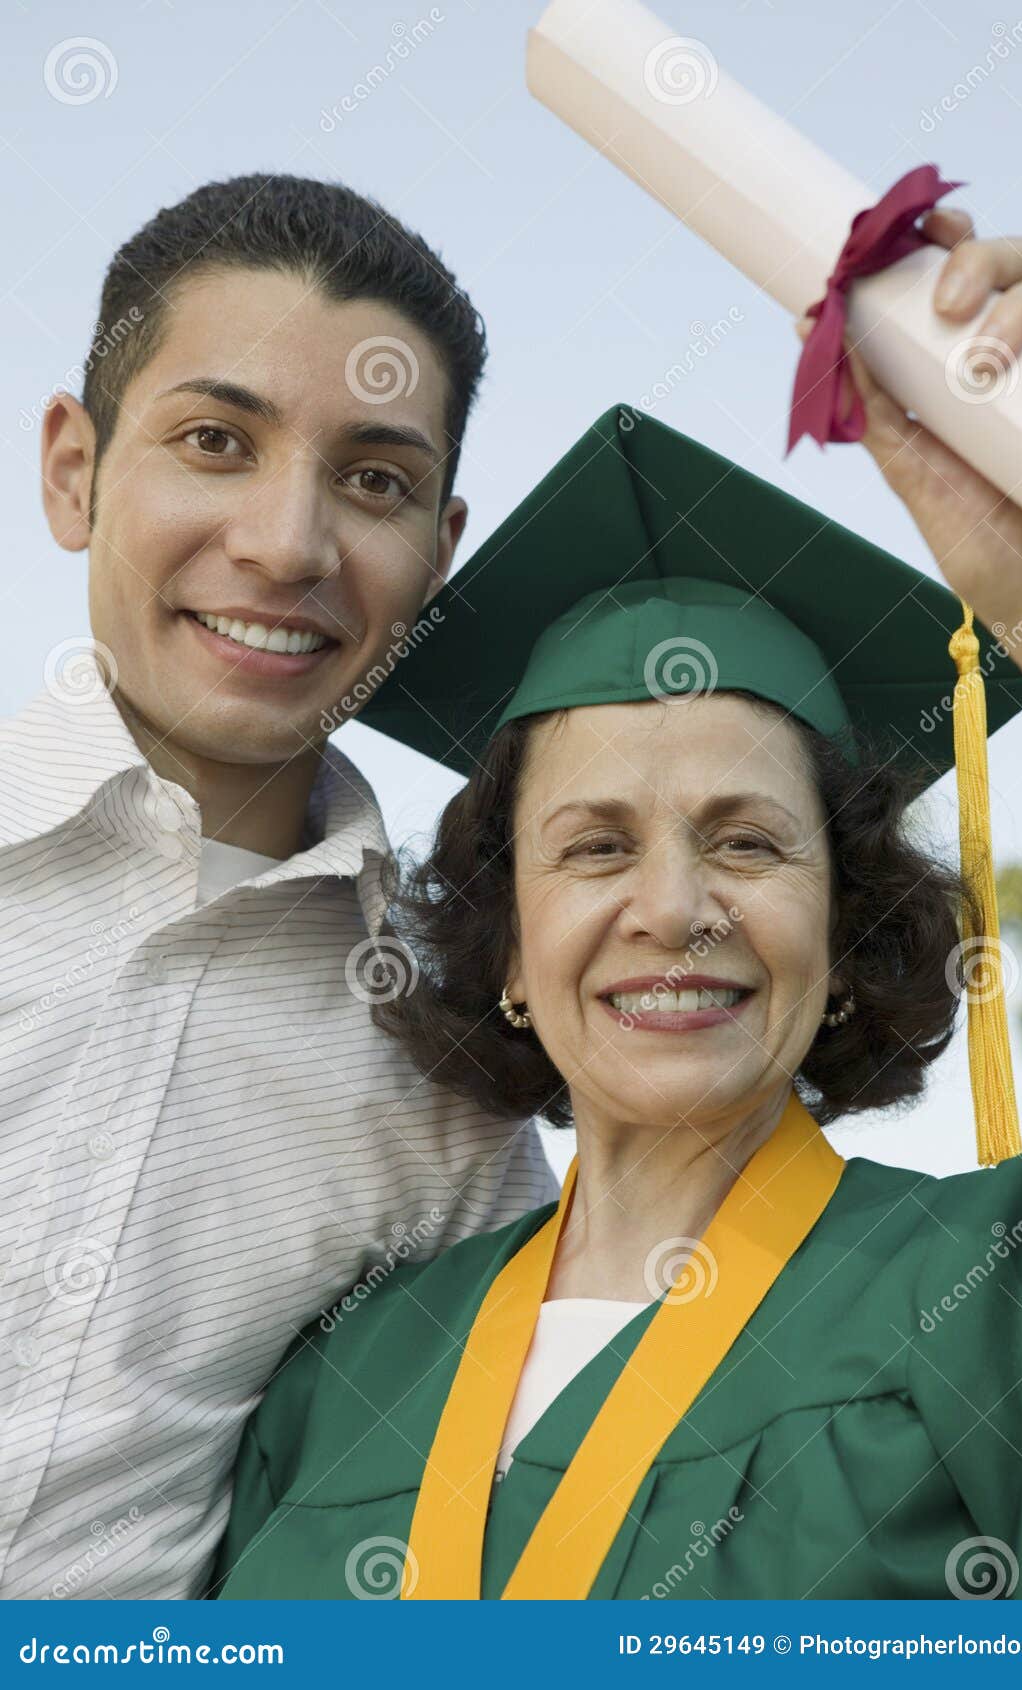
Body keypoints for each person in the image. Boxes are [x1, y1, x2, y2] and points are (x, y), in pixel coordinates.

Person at [208, 382, 1022, 1601]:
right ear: (506, 944)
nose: (671, 908)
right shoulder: (347, 1369)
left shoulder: (1000, 1284)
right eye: (596, 846)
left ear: (842, 924)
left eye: (747, 843)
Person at [0, 173, 554, 1601]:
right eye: (213, 440)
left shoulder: (449, 1071)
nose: (288, 543)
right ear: (74, 469)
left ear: (441, 551)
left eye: (375, 479)